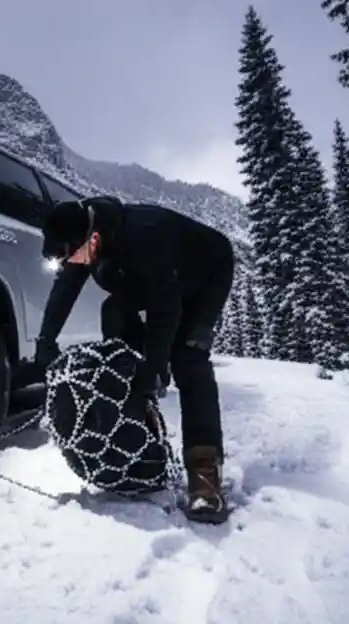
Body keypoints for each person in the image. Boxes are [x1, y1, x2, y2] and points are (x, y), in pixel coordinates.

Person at [29, 196, 235, 524]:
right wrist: (45, 340)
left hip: (205, 276)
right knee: (113, 311)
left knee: (188, 359)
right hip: (155, 281)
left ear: (92, 236)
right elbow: (65, 289)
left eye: (77, 256)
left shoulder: (145, 234)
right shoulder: (86, 240)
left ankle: (204, 470)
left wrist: (153, 369)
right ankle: (133, 426)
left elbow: (165, 312)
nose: (77, 264)